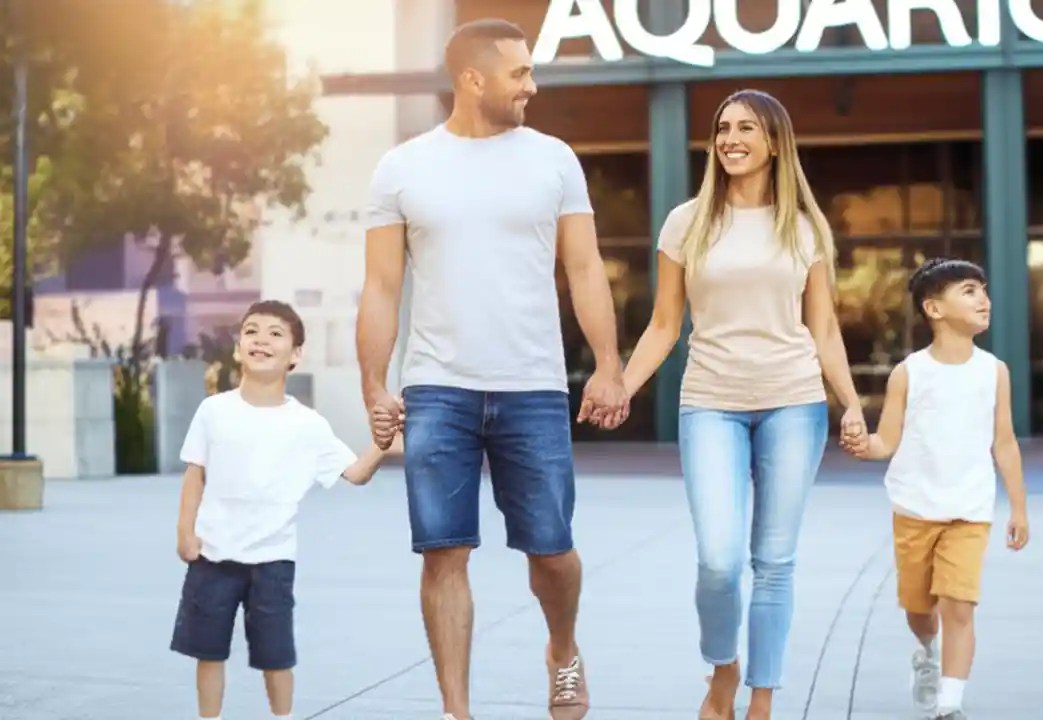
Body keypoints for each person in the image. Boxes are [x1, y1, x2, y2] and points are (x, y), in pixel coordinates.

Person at [356, 18, 628, 720]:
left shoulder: (554, 160)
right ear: (472, 79)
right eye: (520, 74)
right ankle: (456, 710)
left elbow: (584, 267)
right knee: (443, 553)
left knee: (551, 551)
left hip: (533, 386)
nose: (533, 87)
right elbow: (382, 287)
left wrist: (608, 365)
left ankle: (562, 648)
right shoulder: (403, 167)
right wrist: (374, 385)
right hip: (437, 387)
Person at [620, 88, 869, 720]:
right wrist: (622, 386)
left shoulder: (804, 227)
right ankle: (722, 667)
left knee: (775, 561)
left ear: (775, 141)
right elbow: (663, 325)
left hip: (793, 402)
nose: (730, 138)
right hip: (711, 402)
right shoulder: (687, 222)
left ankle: (761, 700)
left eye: (746, 128)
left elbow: (825, 328)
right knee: (719, 560)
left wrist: (851, 403)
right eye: (722, 128)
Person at [170, 300, 389, 720]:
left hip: (273, 560)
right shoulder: (214, 411)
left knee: (276, 654)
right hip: (212, 555)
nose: (261, 340)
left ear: (295, 354)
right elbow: (195, 474)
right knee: (208, 650)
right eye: (252, 331)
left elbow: (356, 473)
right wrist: (185, 531)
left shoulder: (307, 424)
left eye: (275, 333)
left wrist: (382, 443)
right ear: (238, 347)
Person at [841, 258, 1030, 720]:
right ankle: (926, 651)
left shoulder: (994, 372)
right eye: (968, 290)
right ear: (934, 308)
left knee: (959, 606)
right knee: (920, 610)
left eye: (983, 289)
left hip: (969, 509)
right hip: (915, 509)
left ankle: (949, 705)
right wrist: (864, 446)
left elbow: (1003, 443)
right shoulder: (909, 373)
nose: (983, 298)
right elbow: (888, 440)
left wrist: (1019, 509)